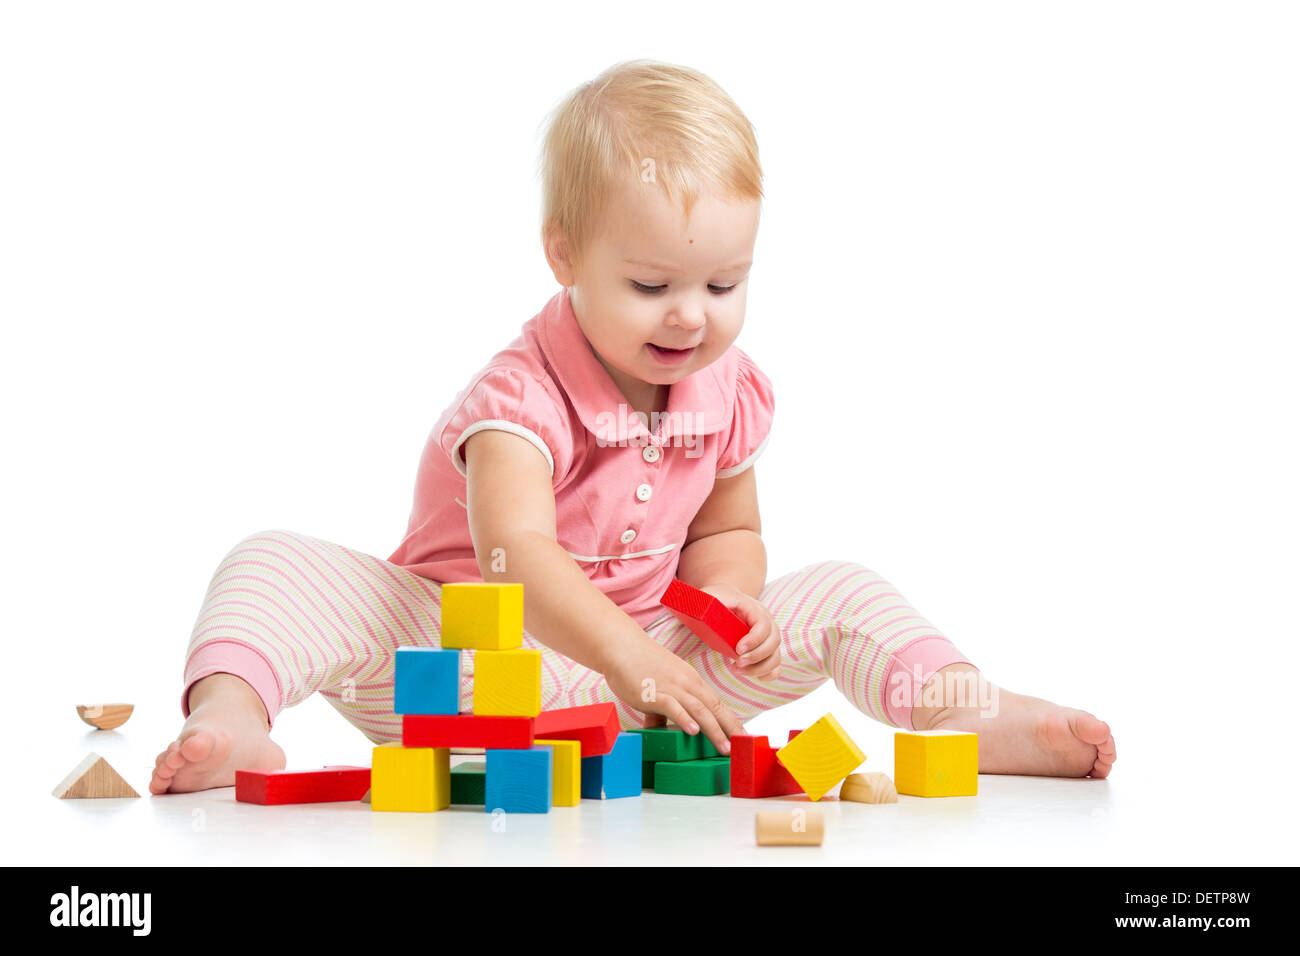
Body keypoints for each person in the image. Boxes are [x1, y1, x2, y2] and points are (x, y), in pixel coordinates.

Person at [151, 59, 1115, 795]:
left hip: (660, 692)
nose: (690, 315)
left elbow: (727, 532)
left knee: (846, 590)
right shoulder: (518, 401)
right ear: (564, 255)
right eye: (651, 286)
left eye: (723, 284)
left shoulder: (726, 390)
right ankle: (234, 717)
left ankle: (969, 713)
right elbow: (511, 556)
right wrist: (627, 655)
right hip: (463, 675)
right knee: (272, 562)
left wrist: (729, 611)